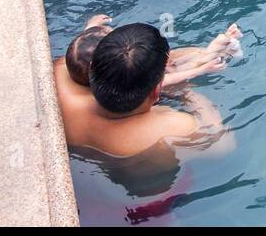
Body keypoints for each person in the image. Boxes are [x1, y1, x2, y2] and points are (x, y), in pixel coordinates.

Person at [58, 23, 232, 159]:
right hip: (152, 202)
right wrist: (186, 92)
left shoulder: (61, 78)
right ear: (157, 92)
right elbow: (225, 145)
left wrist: (202, 55)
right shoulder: (172, 127)